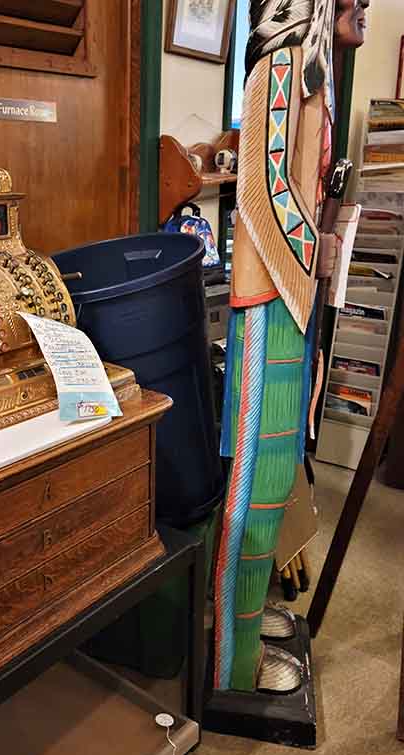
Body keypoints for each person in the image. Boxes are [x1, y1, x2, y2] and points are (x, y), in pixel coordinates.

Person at [213, 0, 370, 693]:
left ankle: (247, 627)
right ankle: (231, 665)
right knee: (257, 483)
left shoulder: (314, 73)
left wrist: (320, 250)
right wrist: (312, 255)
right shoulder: (281, 63)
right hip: (270, 297)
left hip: (288, 292)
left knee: (277, 479)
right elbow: (261, 185)